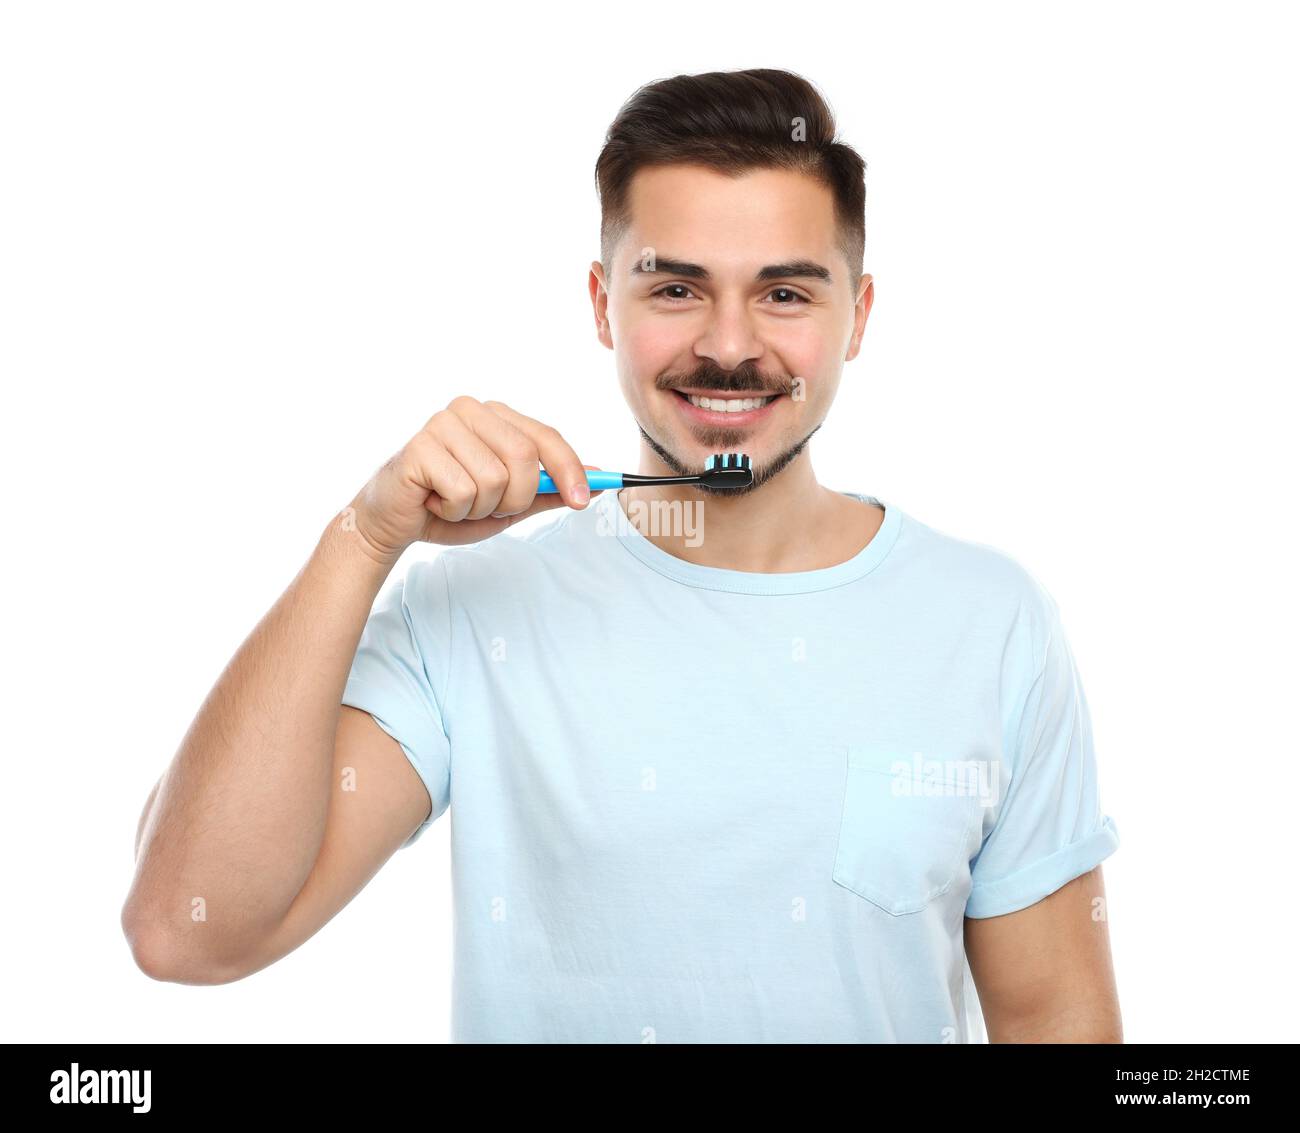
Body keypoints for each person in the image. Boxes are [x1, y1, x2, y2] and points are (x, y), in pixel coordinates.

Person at [122, 67, 1121, 1043]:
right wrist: (363, 536)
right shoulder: (473, 615)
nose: (729, 345)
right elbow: (185, 927)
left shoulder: (991, 624)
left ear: (855, 317)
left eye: (784, 293)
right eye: (677, 287)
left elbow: (1050, 1020)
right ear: (603, 304)